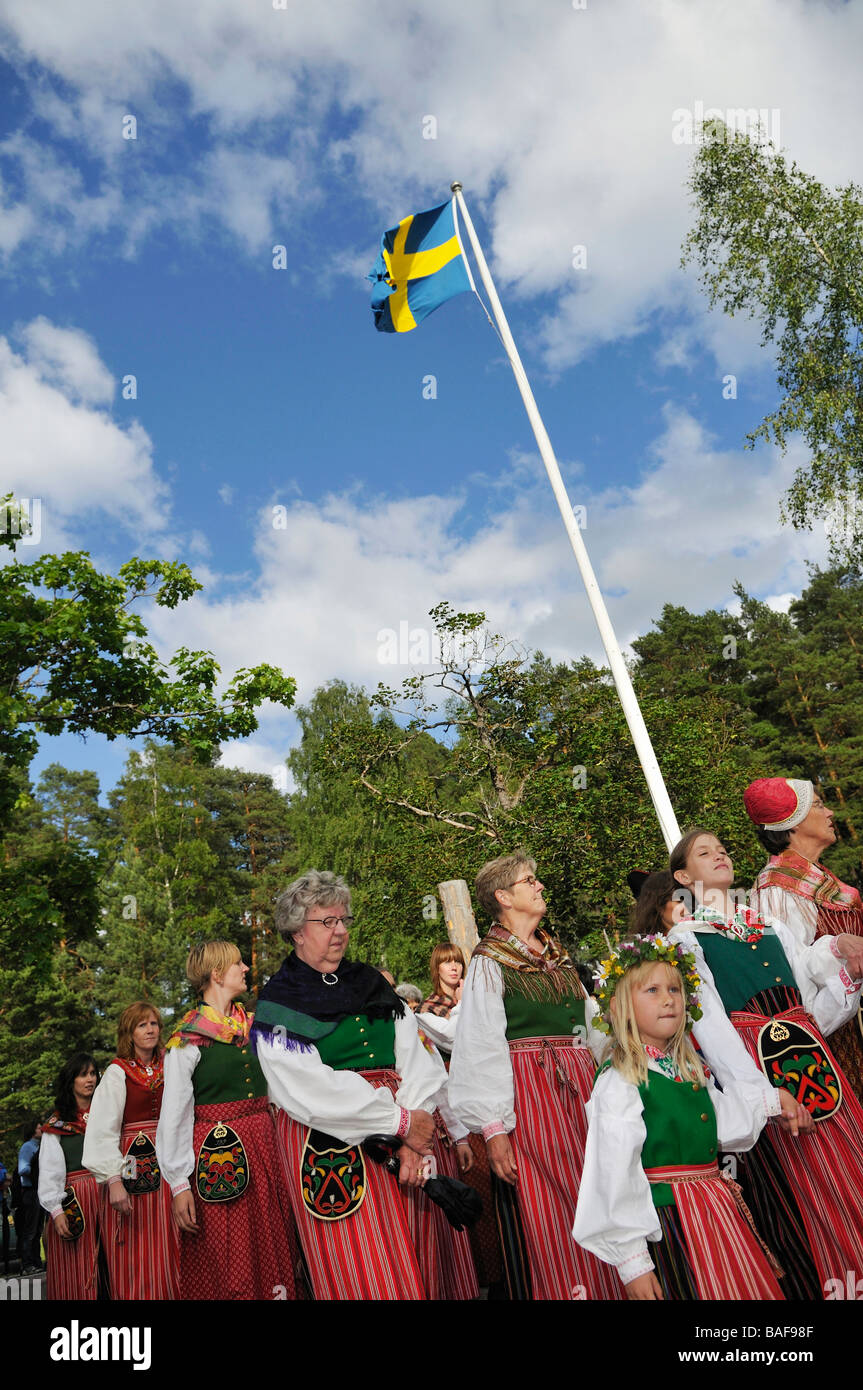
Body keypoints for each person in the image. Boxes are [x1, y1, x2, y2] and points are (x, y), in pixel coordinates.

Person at [668, 827, 863, 1298]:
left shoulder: (768, 925)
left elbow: (811, 1012)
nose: (720, 855)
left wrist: (847, 980)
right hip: (764, 1073)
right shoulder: (685, 938)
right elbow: (711, 1027)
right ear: (682, 877)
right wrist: (763, 1094)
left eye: (722, 848)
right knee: (811, 1185)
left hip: (816, 1062)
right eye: (704, 852)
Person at [252, 870, 448, 1300]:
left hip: (406, 1133)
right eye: (328, 922)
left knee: (422, 1263)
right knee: (366, 1273)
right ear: (297, 931)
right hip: (332, 1145)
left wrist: (415, 1132)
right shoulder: (279, 1001)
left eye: (344, 920)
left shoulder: (370, 982)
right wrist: (399, 1123)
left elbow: (416, 1056)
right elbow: (307, 1090)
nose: (340, 930)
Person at [449, 851, 620, 1301]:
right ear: (504, 897)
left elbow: (592, 1024)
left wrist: (616, 1072)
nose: (540, 887)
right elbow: (480, 1047)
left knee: (604, 1183)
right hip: (530, 1092)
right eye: (530, 881)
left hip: (584, 1084)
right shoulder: (489, 960)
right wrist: (492, 1128)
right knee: (553, 1202)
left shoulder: (558, 954)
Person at [573, 935, 784, 1300]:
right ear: (623, 1006)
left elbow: (725, 1124)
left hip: (715, 1209)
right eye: (652, 990)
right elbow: (612, 1172)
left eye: (674, 988)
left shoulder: (687, 1070)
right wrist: (633, 1262)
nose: (669, 998)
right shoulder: (620, 1080)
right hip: (670, 1222)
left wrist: (772, 1102)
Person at [156, 941, 299, 1300]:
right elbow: (174, 1115)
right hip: (219, 1156)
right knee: (228, 1249)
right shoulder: (186, 1041)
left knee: (273, 1239)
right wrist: (178, 1185)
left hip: (266, 1147)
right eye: (238, 964)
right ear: (217, 974)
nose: (246, 969)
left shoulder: (256, 1028)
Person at [746, 776, 863, 1099]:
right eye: (819, 805)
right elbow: (794, 975)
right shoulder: (778, 887)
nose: (830, 814)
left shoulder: (820, 879)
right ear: (793, 824)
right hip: (838, 1038)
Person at [84, 1001, 179, 1299]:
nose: (150, 1030)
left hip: (170, 1158)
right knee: (138, 1245)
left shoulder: (171, 1063)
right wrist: (114, 1182)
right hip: (132, 1161)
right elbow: (103, 1130)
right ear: (129, 1032)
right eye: (142, 1025)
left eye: (154, 1024)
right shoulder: (117, 1072)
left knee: (174, 1241)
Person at [38, 1053, 104, 1300]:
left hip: (108, 1196)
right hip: (75, 1202)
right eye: (82, 1074)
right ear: (71, 1081)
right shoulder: (57, 1125)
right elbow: (49, 1171)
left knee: (110, 1267)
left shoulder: (107, 1114)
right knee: (76, 1270)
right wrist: (56, 1211)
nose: (90, 1079)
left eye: (93, 1073)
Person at [15, 1118, 44, 1274]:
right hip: (31, 1191)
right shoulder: (28, 1147)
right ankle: (27, 1265)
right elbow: (22, 1169)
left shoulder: (39, 1146)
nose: (42, 1130)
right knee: (30, 1230)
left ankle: (35, 1262)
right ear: (33, 1130)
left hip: (38, 1191)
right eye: (40, 1128)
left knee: (37, 1230)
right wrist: (37, 1170)